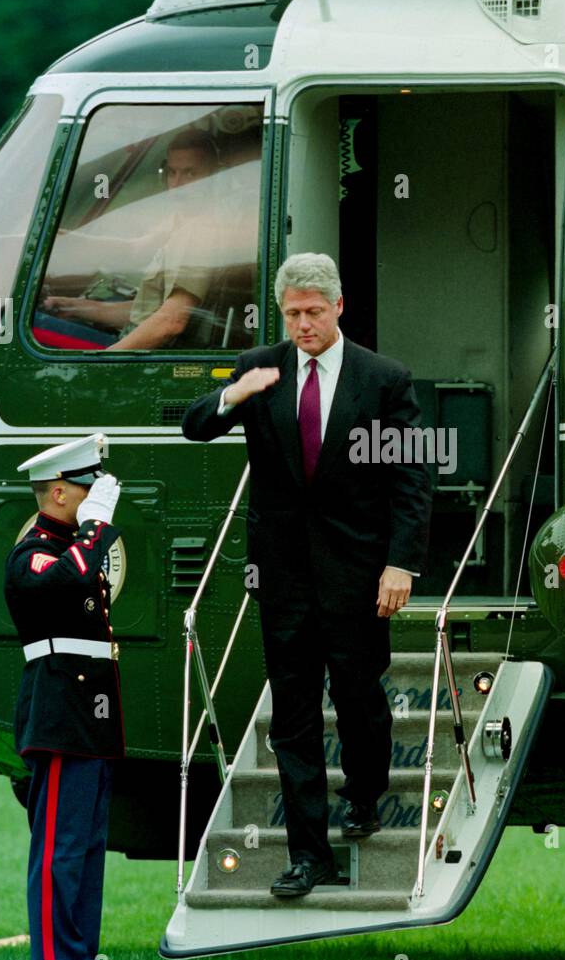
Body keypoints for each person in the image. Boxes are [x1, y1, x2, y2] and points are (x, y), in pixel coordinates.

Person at [182, 253, 433, 898]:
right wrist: (233, 394)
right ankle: (307, 854)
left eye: (313, 313)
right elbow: (194, 427)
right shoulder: (258, 371)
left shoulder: (384, 379)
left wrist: (400, 563)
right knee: (292, 718)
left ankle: (367, 792)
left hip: (359, 575)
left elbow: (412, 479)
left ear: (338, 307)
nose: (301, 325)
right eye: (291, 314)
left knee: (359, 701)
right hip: (284, 576)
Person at [3, 434, 124, 960]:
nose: (97, 494)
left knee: (88, 850)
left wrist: (91, 527)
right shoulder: (31, 556)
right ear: (57, 492)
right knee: (60, 850)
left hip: (89, 717)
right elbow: (66, 580)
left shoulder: (70, 548)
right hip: (59, 715)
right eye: (87, 486)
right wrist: (97, 527)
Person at [42, 130, 222, 350]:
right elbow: (144, 308)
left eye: (190, 174)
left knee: (31, 327)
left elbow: (171, 322)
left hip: (142, 358)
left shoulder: (200, 231)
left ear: (215, 176)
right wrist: (76, 306)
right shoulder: (181, 222)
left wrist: (99, 366)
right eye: (172, 173)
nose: (178, 184)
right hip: (133, 343)